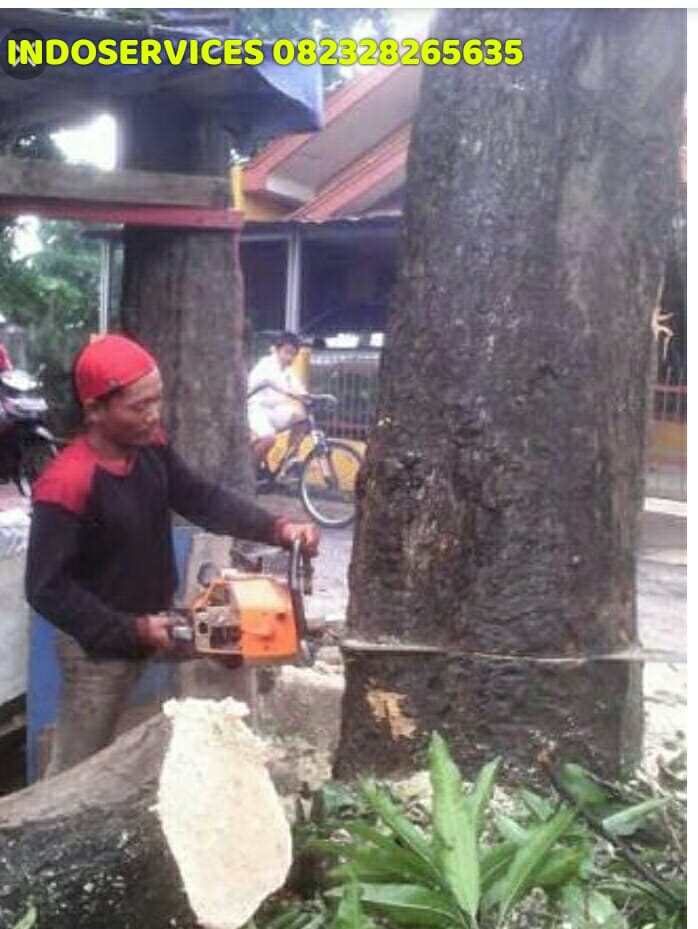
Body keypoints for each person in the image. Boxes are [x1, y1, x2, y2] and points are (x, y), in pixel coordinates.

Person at [25, 333, 320, 776]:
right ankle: (52, 818)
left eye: (157, 400)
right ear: (95, 410)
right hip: (97, 647)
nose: (153, 415)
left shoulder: (151, 449)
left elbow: (201, 498)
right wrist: (131, 629)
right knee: (76, 770)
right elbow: (45, 588)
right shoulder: (67, 483)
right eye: (139, 406)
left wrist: (277, 528)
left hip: (161, 622)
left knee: (226, 666)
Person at [247, 331, 308, 465]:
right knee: (269, 439)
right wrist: (291, 393)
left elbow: (299, 388)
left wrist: (310, 397)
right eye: (287, 352)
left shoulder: (287, 370)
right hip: (256, 410)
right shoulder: (266, 364)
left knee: (301, 419)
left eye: (293, 354)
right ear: (276, 350)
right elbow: (271, 382)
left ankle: (288, 461)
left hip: (274, 410)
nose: (289, 357)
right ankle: (248, 471)